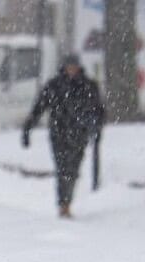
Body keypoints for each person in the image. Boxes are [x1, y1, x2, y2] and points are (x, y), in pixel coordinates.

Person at [21, 54, 105, 218]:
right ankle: (63, 204)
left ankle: (67, 200)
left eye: (74, 66)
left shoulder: (87, 86)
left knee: (73, 169)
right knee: (62, 169)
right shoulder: (54, 86)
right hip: (59, 134)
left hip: (79, 134)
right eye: (69, 66)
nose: (71, 70)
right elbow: (39, 107)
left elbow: (98, 110)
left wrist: (96, 128)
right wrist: (28, 128)